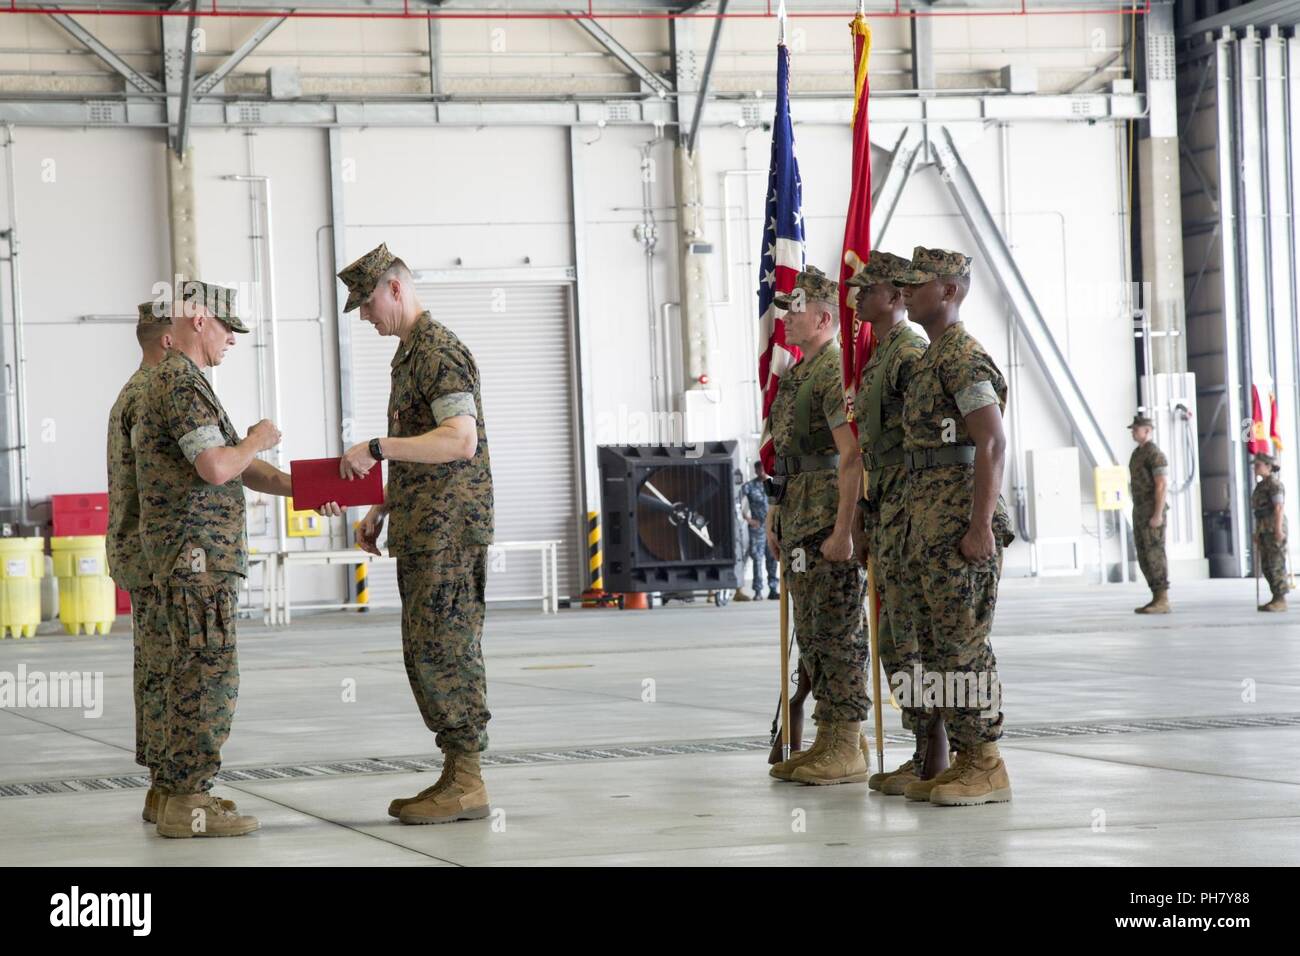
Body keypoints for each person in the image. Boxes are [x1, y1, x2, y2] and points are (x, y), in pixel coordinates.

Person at [136, 281, 340, 838]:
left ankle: (182, 794)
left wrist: (306, 487)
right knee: (207, 677)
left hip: (192, 559)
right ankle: (189, 802)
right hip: (197, 560)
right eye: (228, 328)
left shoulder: (181, 379)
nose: (232, 340)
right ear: (199, 319)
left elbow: (237, 467)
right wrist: (257, 437)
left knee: (193, 672)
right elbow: (218, 466)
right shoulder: (181, 382)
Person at [338, 243, 496, 825]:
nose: (363, 316)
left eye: (367, 303)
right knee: (427, 647)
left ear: (395, 289)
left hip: (449, 533)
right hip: (426, 528)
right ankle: (457, 772)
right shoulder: (411, 355)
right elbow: (429, 450)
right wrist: (384, 504)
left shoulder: (438, 352)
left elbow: (460, 440)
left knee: (447, 647)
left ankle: (468, 779)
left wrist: (377, 449)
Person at [893, 246, 1014, 807]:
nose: (909, 293)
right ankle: (964, 758)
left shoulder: (963, 356)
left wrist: (981, 526)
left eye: (920, 285)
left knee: (964, 645)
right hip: (928, 525)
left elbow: (990, 441)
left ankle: (986, 761)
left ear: (950, 291)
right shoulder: (930, 358)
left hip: (959, 525)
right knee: (938, 650)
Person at [843, 251, 949, 797]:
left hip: (911, 509)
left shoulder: (909, 353)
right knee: (895, 638)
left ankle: (936, 753)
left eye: (868, 290)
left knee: (912, 637)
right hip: (885, 507)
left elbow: (920, 440)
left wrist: (907, 510)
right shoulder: (882, 354)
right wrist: (866, 508)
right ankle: (922, 750)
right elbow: (874, 447)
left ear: (896, 298)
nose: (857, 298)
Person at [763, 266, 871, 786]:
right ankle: (829, 737)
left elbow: (850, 457)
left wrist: (845, 529)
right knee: (811, 632)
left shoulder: (832, 371)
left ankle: (847, 741)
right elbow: (787, 455)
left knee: (837, 630)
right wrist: (774, 515)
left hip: (827, 517)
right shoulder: (799, 372)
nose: (785, 318)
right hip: (798, 515)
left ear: (825, 317)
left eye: (796, 309)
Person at [105, 301, 174, 825]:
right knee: (173, 672)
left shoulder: (132, 391)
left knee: (154, 671)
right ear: (169, 337)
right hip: (157, 557)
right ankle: (173, 788)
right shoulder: (156, 393)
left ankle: (160, 787)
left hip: (136, 553)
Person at [1129, 413, 1170, 614]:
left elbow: (1161, 485)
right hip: (1140, 511)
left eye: (1136, 429)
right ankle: (1155, 596)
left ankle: (1162, 598)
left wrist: (1158, 514)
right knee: (1144, 554)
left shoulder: (1155, 454)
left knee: (1154, 553)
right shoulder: (1137, 454)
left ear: (1148, 431)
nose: (1133, 432)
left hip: (1152, 511)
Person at [1251, 452, 1288, 612]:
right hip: (1263, 527)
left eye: (1258, 465)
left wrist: (1278, 529)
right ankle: (1275, 597)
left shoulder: (1274, 484)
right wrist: (1257, 532)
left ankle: (1281, 599)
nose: (1255, 467)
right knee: (1266, 564)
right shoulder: (1261, 485)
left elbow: (1279, 508)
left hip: (1273, 526)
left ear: (1268, 466)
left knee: (1275, 563)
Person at [740, 461, 777, 600]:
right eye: (759, 469)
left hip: (772, 528)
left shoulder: (773, 484)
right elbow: (737, 502)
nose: (761, 471)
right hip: (758, 529)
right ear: (755, 470)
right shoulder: (749, 486)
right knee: (757, 559)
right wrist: (748, 519)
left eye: (763, 468)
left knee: (772, 558)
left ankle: (773, 589)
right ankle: (758, 591)